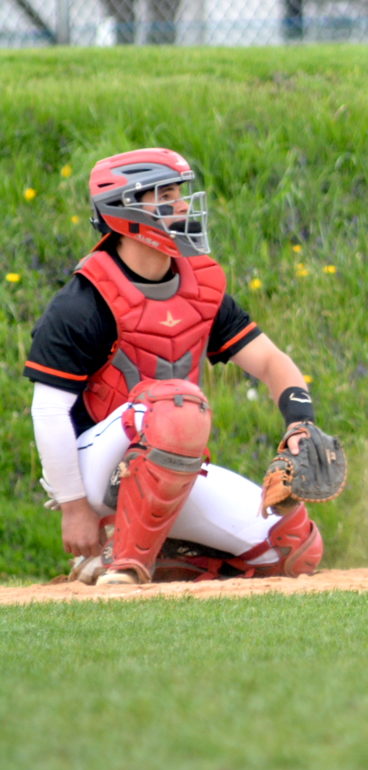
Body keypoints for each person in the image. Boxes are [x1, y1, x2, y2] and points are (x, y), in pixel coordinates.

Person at [22, 148, 341, 586]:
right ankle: (125, 567)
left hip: (168, 456)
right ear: (125, 209)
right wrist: (74, 506)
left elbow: (270, 361)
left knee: (292, 547)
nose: (183, 206)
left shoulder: (198, 285)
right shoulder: (83, 301)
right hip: (94, 472)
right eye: (166, 195)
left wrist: (299, 425)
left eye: (181, 194)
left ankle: (145, 551)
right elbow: (48, 412)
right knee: (179, 402)